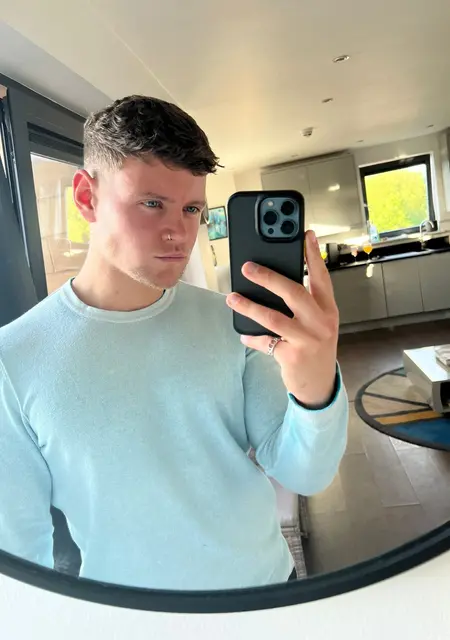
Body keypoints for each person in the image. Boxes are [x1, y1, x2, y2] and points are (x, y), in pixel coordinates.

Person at [0, 95, 348, 591]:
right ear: (86, 197)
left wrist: (315, 392)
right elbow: (19, 557)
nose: (179, 233)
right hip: (130, 617)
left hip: (268, 592)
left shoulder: (233, 320)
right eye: (152, 204)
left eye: (191, 208)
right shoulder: (13, 360)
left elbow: (303, 474)